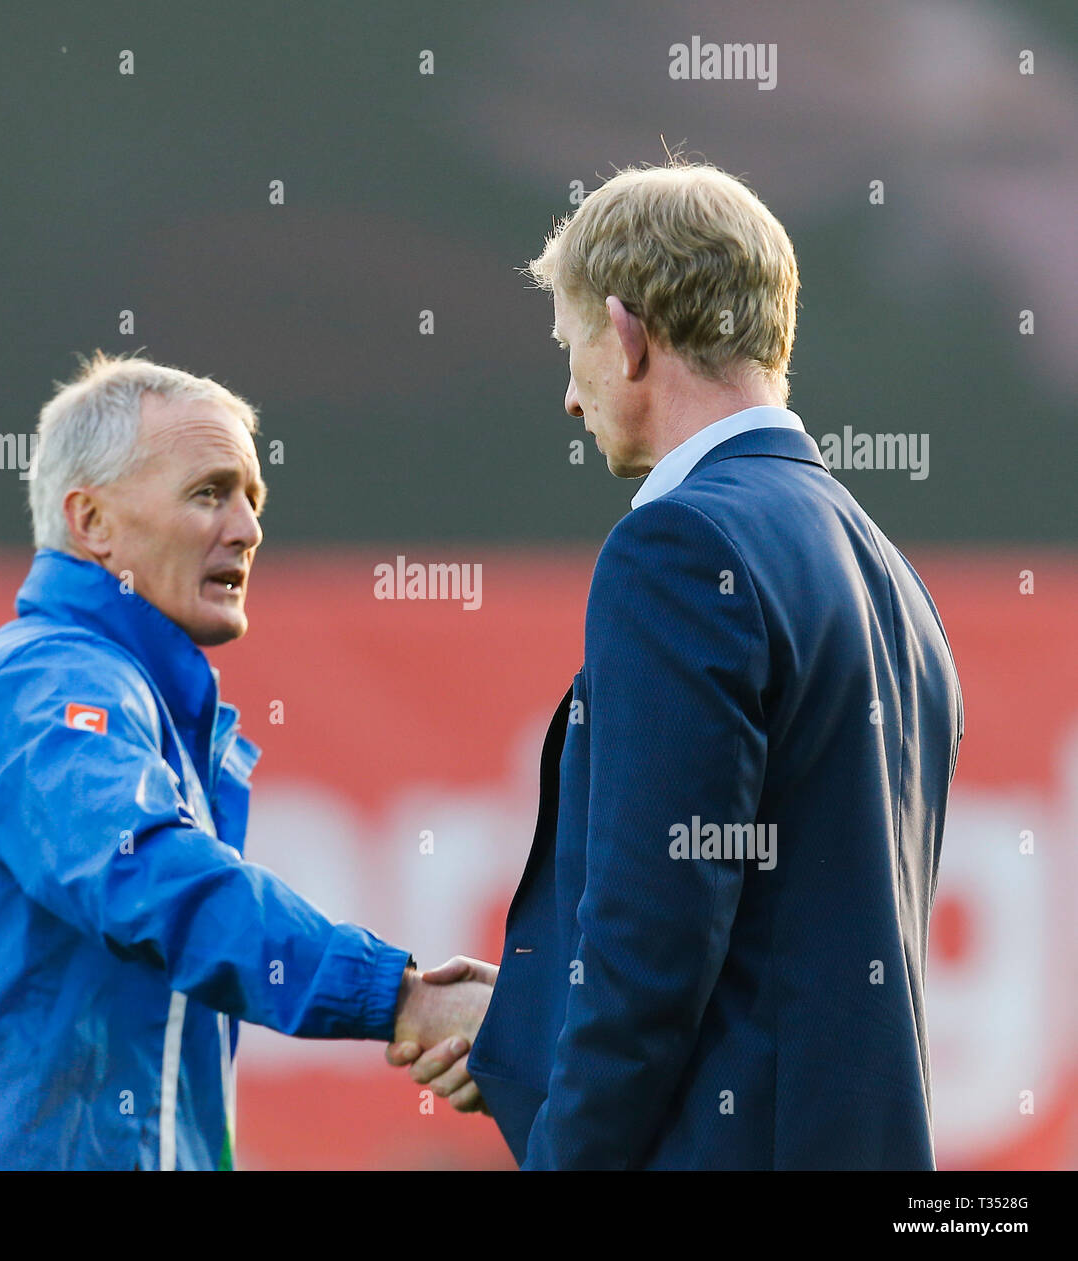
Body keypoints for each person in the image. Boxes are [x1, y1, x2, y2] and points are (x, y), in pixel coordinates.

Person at [391, 162, 964, 1170]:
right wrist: (529, 1019)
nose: (570, 398)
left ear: (625, 330)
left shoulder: (680, 546)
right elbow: (778, 929)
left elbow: (655, 939)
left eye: (571, 350)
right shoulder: (891, 576)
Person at [0, 352, 490, 1170]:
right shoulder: (47, 684)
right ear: (90, 522)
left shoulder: (129, 700)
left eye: (252, 498)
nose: (247, 528)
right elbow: (153, 882)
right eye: (209, 492)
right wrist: (400, 996)